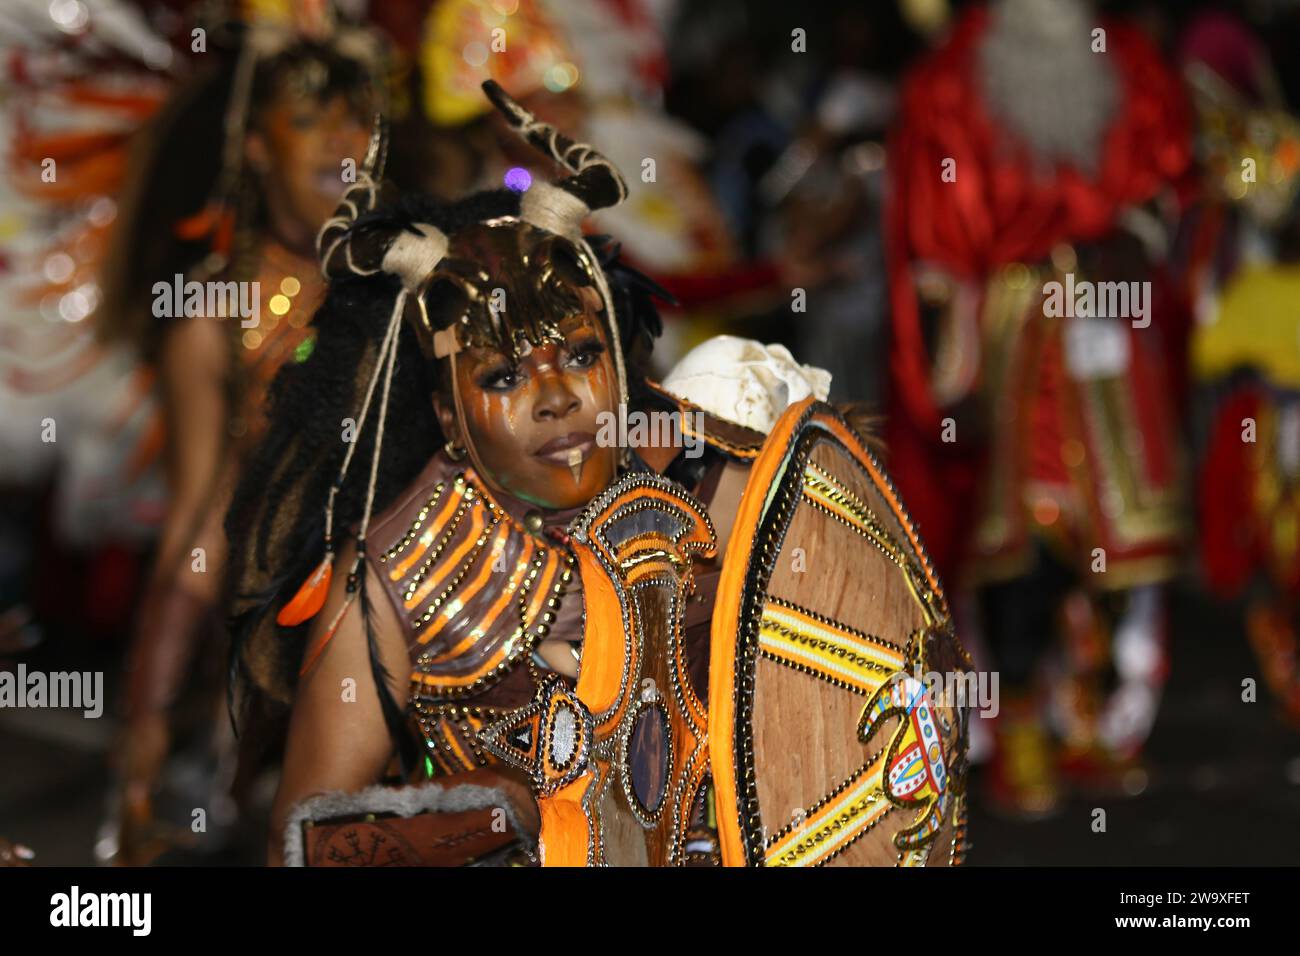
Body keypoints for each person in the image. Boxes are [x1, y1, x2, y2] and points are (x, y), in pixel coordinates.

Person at [227, 81, 972, 867]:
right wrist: (495, 817)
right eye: (504, 378)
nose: (556, 399)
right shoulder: (395, 569)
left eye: (580, 356)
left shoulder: (717, 475)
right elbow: (311, 848)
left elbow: (883, 684)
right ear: (449, 415)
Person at [884, 0, 1192, 815]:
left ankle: (1090, 714)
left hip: (1113, 317)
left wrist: (1145, 229)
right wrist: (951, 367)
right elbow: (931, 237)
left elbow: (1179, 177)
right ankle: (1016, 726)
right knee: (1018, 537)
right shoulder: (951, 76)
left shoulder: (1128, 57)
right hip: (1014, 335)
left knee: (1118, 532)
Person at [96, 11, 382, 864]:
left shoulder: (422, 293)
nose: (340, 141)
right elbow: (199, 524)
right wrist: (146, 716)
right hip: (276, 643)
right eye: (308, 121)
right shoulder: (213, 320)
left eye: (354, 119)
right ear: (255, 149)